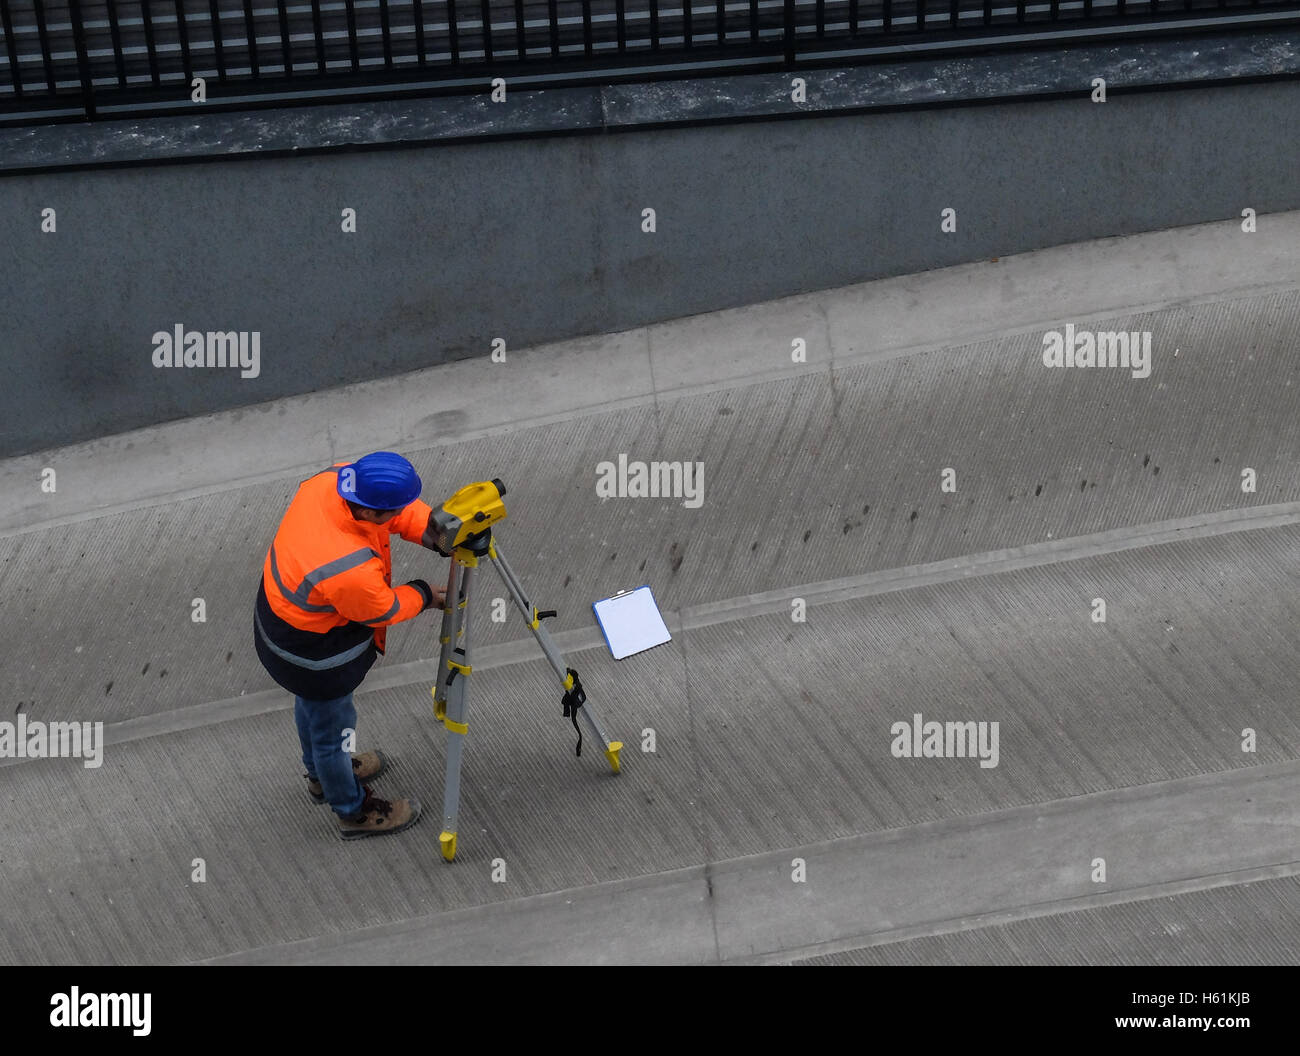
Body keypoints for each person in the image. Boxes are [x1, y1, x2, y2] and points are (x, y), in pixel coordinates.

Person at [253, 451, 446, 839]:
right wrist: (425, 594)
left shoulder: (329, 482)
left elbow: (394, 509)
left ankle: (320, 777)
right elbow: (382, 609)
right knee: (334, 732)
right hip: (312, 655)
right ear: (375, 514)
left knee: (313, 709)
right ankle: (352, 811)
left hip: (281, 623)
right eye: (395, 511)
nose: (400, 514)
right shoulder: (349, 568)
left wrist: (433, 531)